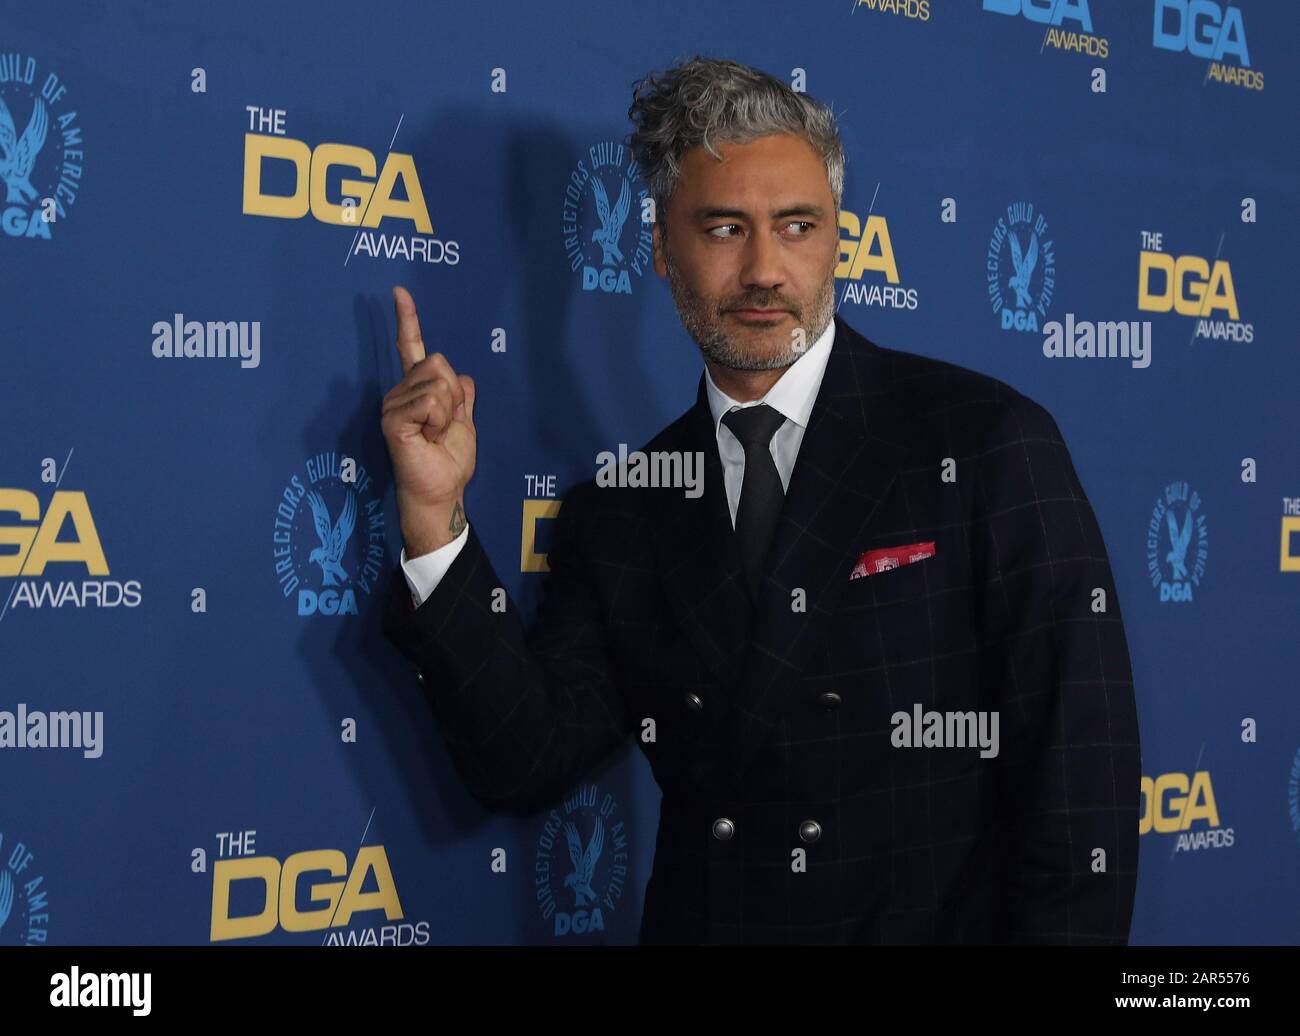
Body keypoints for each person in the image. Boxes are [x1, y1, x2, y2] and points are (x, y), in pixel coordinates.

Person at [380, 56, 1141, 945]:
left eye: (796, 226)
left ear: (836, 240)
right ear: (662, 249)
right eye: (725, 228)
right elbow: (525, 758)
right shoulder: (625, 506)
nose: (765, 271)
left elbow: (1080, 782)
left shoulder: (983, 441)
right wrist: (436, 520)